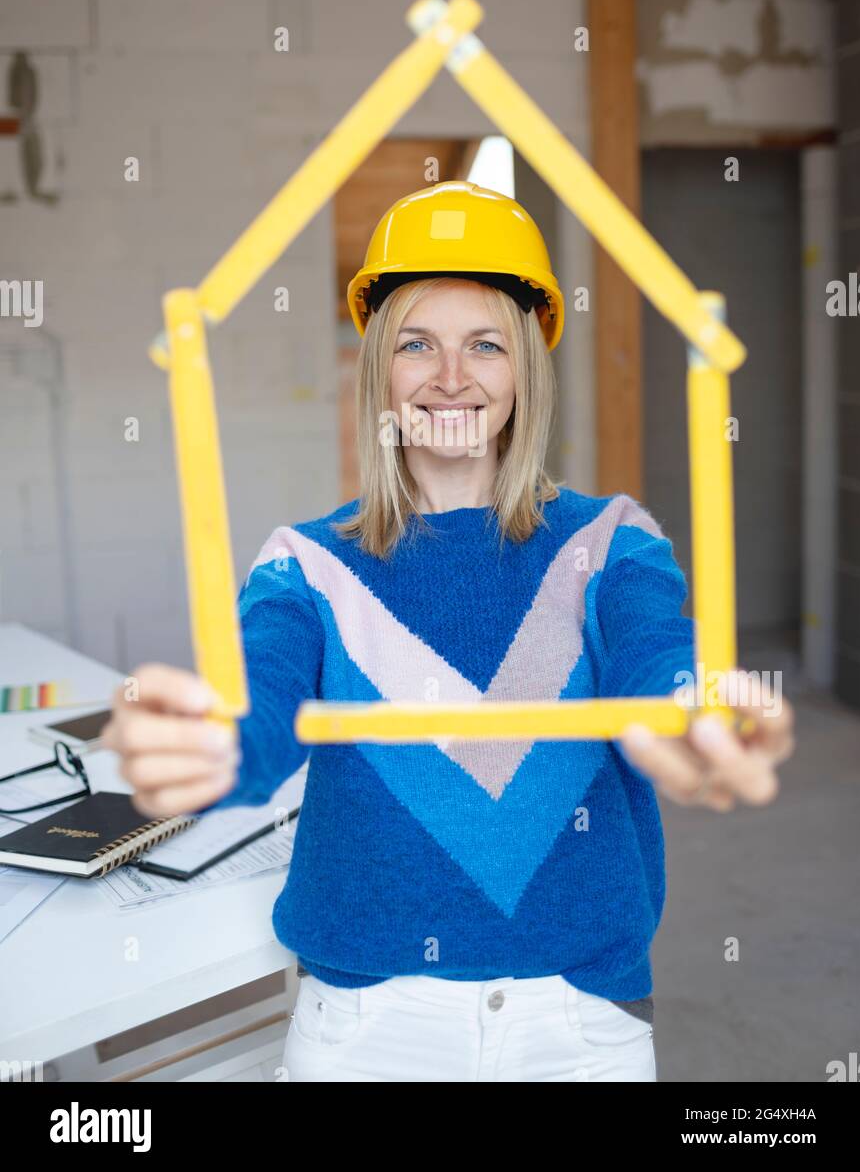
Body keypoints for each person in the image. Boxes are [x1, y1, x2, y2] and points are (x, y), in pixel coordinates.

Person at [100, 180, 795, 1083]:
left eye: (486, 346)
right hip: (367, 1027)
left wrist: (694, 710)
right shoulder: (304, 566)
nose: (452, 377)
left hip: (578, 1022)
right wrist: (213, 744)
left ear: (527, 371)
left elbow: (658, 657)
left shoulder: (611, 541)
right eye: (418, 344)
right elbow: (258, 705)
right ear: (380, 367)